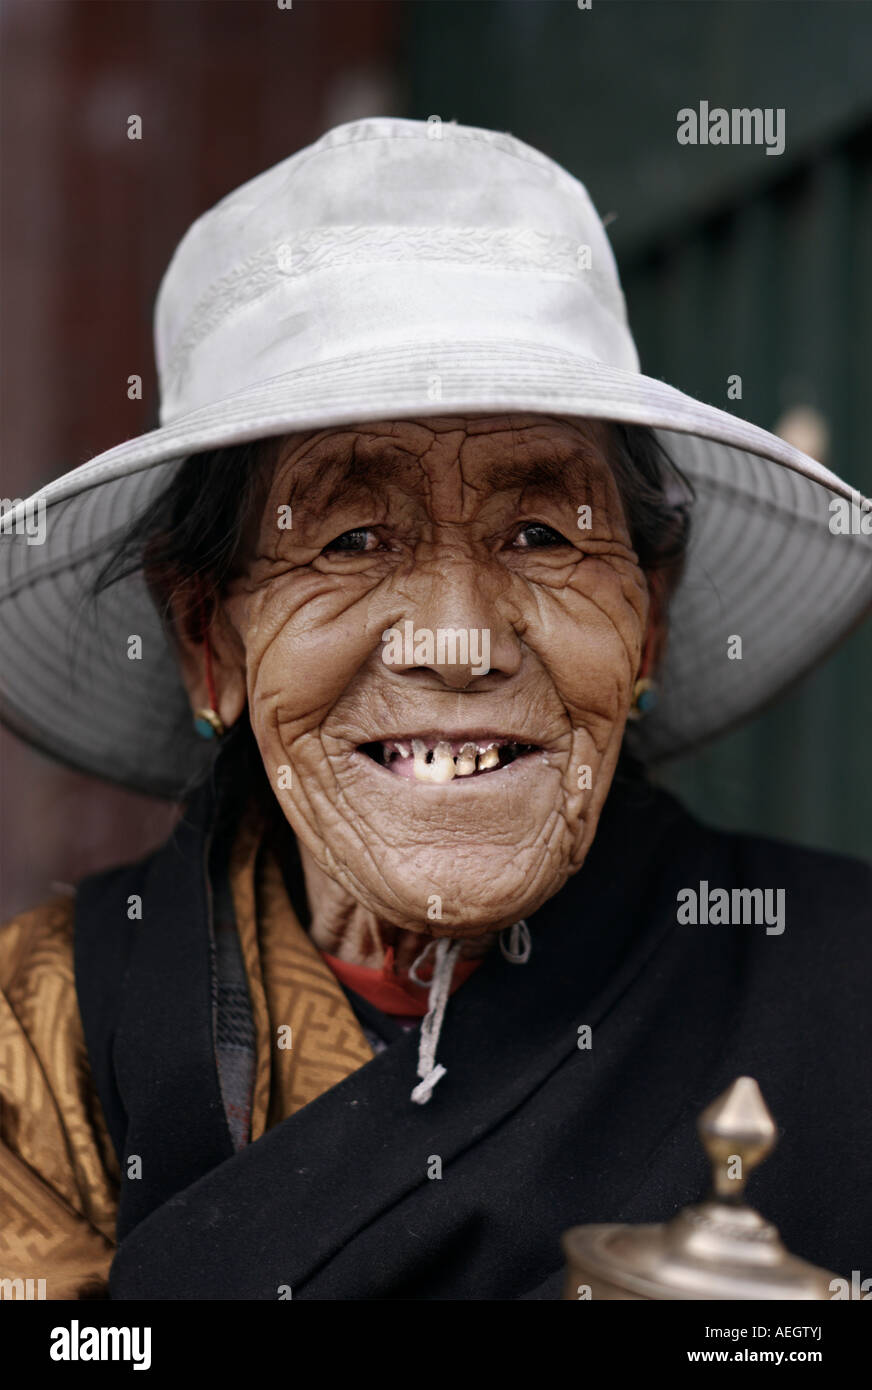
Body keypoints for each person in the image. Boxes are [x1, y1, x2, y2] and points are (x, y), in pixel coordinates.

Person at [0, 117, 869, 1301]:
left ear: (647, 620)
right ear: (212, 642)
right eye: (351, 539)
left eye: (539, 533)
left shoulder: (841, 991)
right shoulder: (38, 1042)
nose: (456, 640)